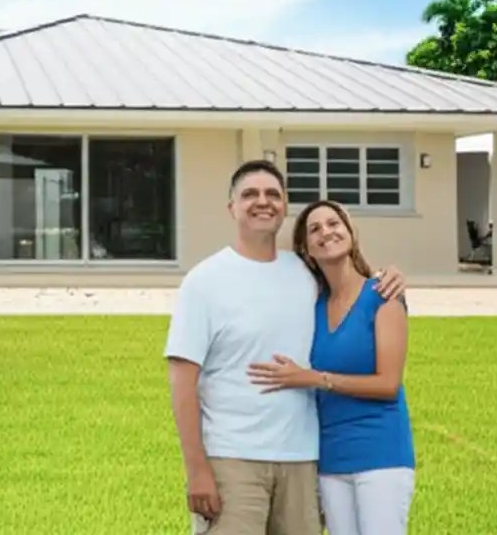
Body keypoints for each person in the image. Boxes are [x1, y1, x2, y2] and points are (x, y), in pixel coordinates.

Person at [164, 159, 405, 534]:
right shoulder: (205, 281)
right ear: (232, 208)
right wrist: (196, 470)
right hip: (233, 460)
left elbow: (351, 289)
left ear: (284, 206)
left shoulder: (306, 275)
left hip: (302, 463)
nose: (263, 202)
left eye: (273, 194)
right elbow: (182, 380)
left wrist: (389, 277)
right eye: (250, 194)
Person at [246, 199, 416, 535]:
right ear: (307, 250)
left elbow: (388, 385)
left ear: (350, 233)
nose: (326, 232)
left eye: (334, 223)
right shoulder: (313, 304)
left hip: (381, 455)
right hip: (330, 459)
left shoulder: (382, 295)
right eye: (315, 229)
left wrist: (314, 379)